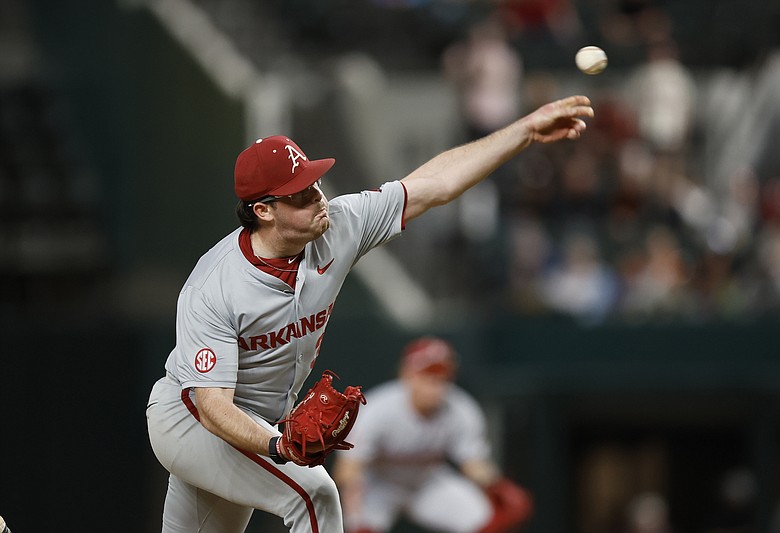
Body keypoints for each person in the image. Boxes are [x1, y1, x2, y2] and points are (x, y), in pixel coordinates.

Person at [145, 94, 593, 533]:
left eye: (315, 183)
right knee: (315, 495)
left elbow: (435, 185)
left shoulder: (339, 225)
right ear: (263, 210)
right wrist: (278, 445)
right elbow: (213, 407)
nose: (319, 197)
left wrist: (523, 131)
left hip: (259, 425)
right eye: (300, 195)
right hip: (190, 419)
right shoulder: (215, 286)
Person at [333, 336, 534, 533]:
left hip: (427, 480)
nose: (434, 384)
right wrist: (356, 518)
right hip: (380, 482)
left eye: (441, 377)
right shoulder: (378, 409)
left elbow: (473, 464)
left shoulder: (462, 409)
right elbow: (348, 470)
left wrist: (497, 486)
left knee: (484, 520)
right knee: (359, 525)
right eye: (426, 375)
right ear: (406, 374)